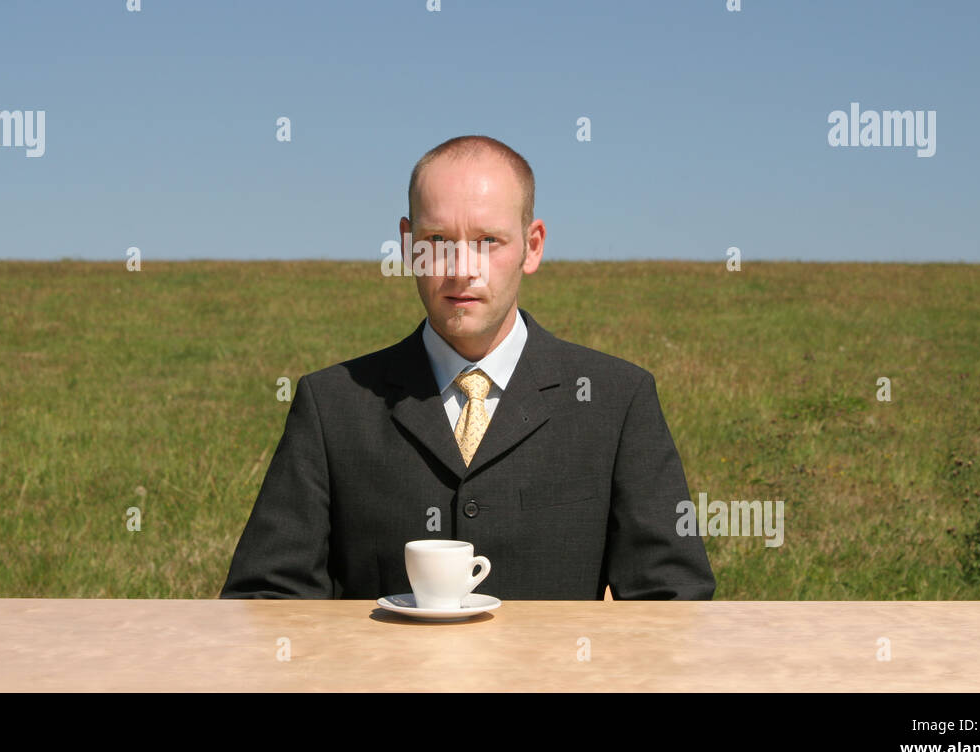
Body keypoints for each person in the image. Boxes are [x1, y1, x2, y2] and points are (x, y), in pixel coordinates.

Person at [220, 135, 715, 600]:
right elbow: (265, 600)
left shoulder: (617, 400)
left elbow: (671, 601)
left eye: (488, 241)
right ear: (407, 243)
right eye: (437, 239)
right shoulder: (331, 406)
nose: (461, 268)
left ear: (532, 245)